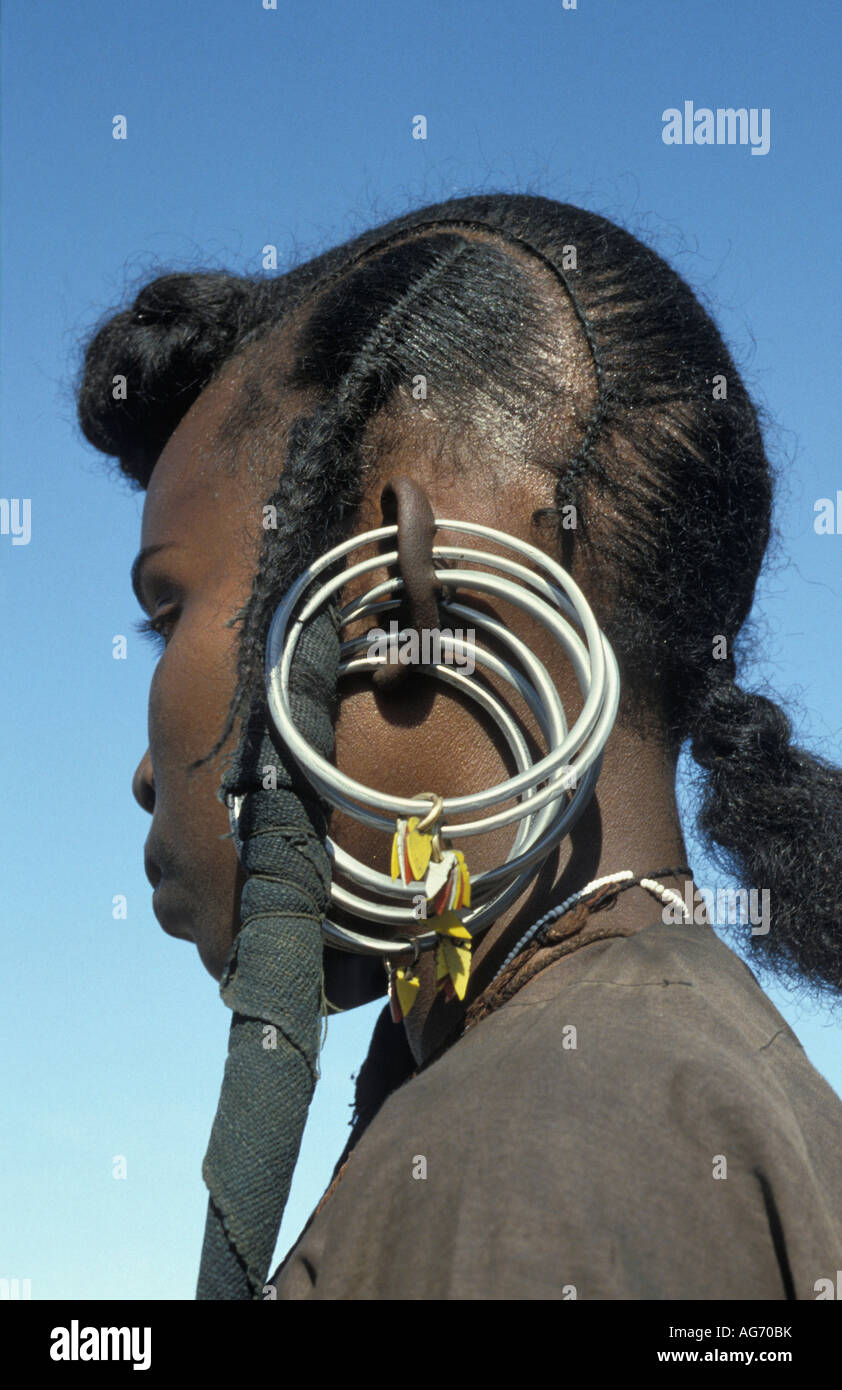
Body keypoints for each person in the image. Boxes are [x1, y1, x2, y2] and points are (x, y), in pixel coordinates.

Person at [76, 193, 842, 1299]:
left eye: (166, 609)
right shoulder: (681, 1082)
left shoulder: (543, 1153)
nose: (148, 770)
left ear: (398, 593)